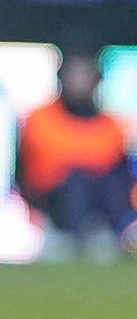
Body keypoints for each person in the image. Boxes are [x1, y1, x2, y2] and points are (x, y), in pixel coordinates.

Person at [16, 50, 137, 260]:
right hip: (54, 219)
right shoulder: (40, 119)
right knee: (75, 183)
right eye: (74, 73)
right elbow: (23, 173)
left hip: (99, 224)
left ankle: (99, 235)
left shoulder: (112, 127)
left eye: (86, 74)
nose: (80, 81)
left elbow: (122, 183)